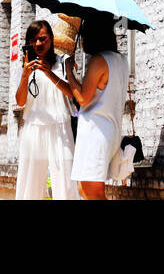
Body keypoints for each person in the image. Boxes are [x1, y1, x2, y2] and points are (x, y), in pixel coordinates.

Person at [13, 19, 79, 200]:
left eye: (42, 39)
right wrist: (26, 74)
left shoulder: (63, 62)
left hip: (60, 127)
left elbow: (73, 93)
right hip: (33, 126)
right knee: (29, 181)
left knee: (65, 180)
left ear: (51, 39)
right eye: (33, 40)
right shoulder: (26, 66)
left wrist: (49, 72)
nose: (38, 44)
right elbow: (20, 102)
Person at [66, 12, 127, 200]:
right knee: (85, 189)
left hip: (96, 132)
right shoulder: (121, 60)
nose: (82, 41)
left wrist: (68, 70)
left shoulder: (99, 60)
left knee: (93, 193)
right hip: (108, 130)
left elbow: (83, 98)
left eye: (83, 36)